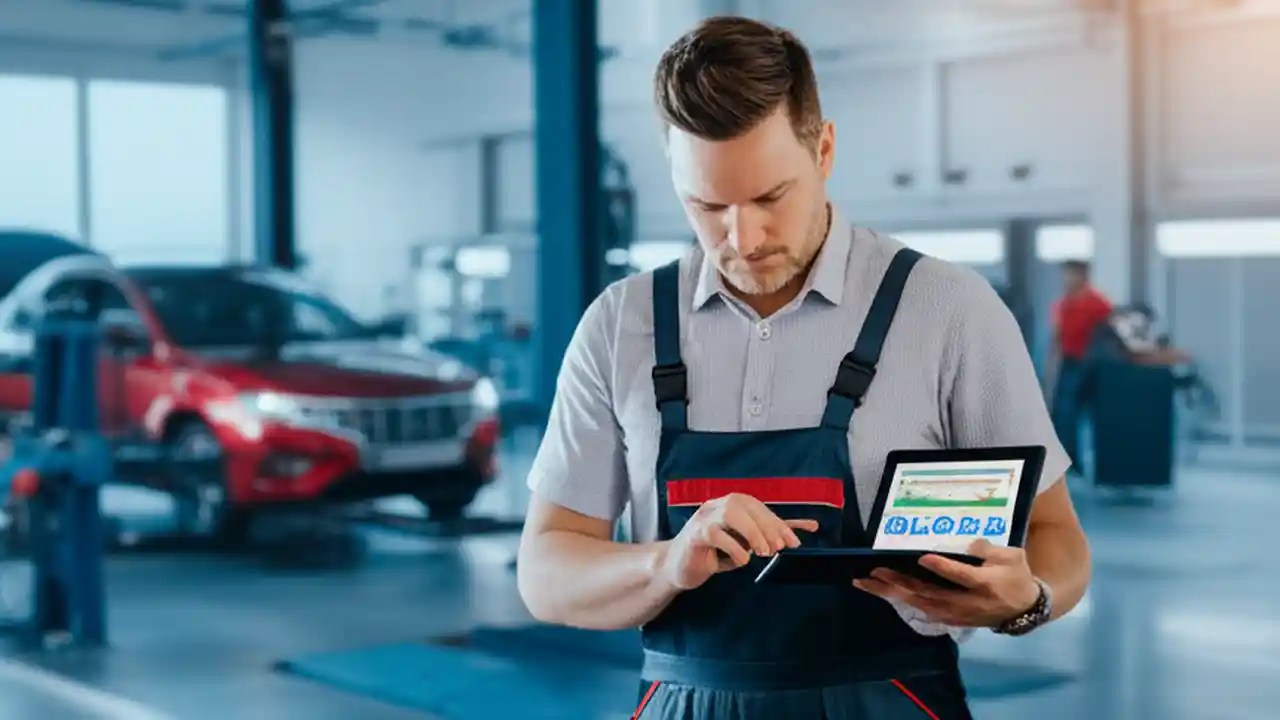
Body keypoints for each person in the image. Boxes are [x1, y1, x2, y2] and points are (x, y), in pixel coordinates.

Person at [516, 16, 1091, 720]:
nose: (743, 238)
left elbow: (1057, 538)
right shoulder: (620, 324)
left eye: (768, 197)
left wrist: (1024, 602)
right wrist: (667, 561)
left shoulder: (946, 309)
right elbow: (545, 573)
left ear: (823, 150)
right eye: (707, 206)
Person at [1049, 260, 1113, 472]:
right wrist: (1051, 370)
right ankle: (1071, 461)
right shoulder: (1061, 305)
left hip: (1091, 365)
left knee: (1089, 414)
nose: (1067, 279)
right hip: (1069, 363)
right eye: (1065, 275)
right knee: (1063, 415)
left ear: (1083, 276)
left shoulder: (1098, 304)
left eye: (1072, 274)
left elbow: (1110, 334)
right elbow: (1056, 339)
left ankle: (1098, 464)